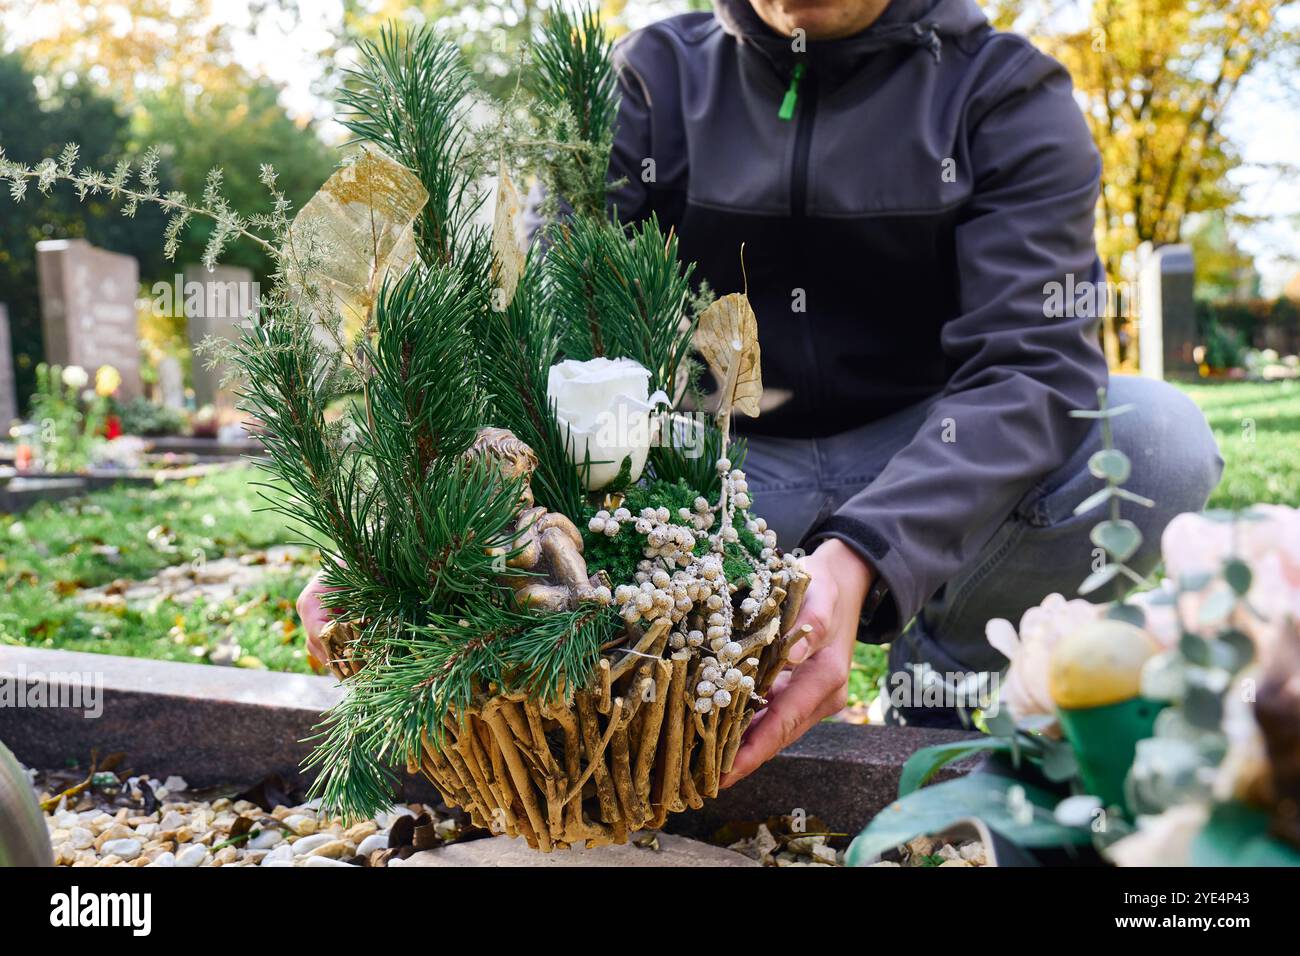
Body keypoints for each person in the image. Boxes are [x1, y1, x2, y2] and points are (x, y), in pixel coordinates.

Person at [299, 0, 1222, 788]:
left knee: (1150, 444)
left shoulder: (1005, 93)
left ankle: (948, 684)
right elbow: (536, 335)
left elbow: (1033, 365)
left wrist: (869, 548)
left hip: (929, 452)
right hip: (710, 472)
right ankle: (668, 724)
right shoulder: (652, 79)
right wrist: (408, 521)